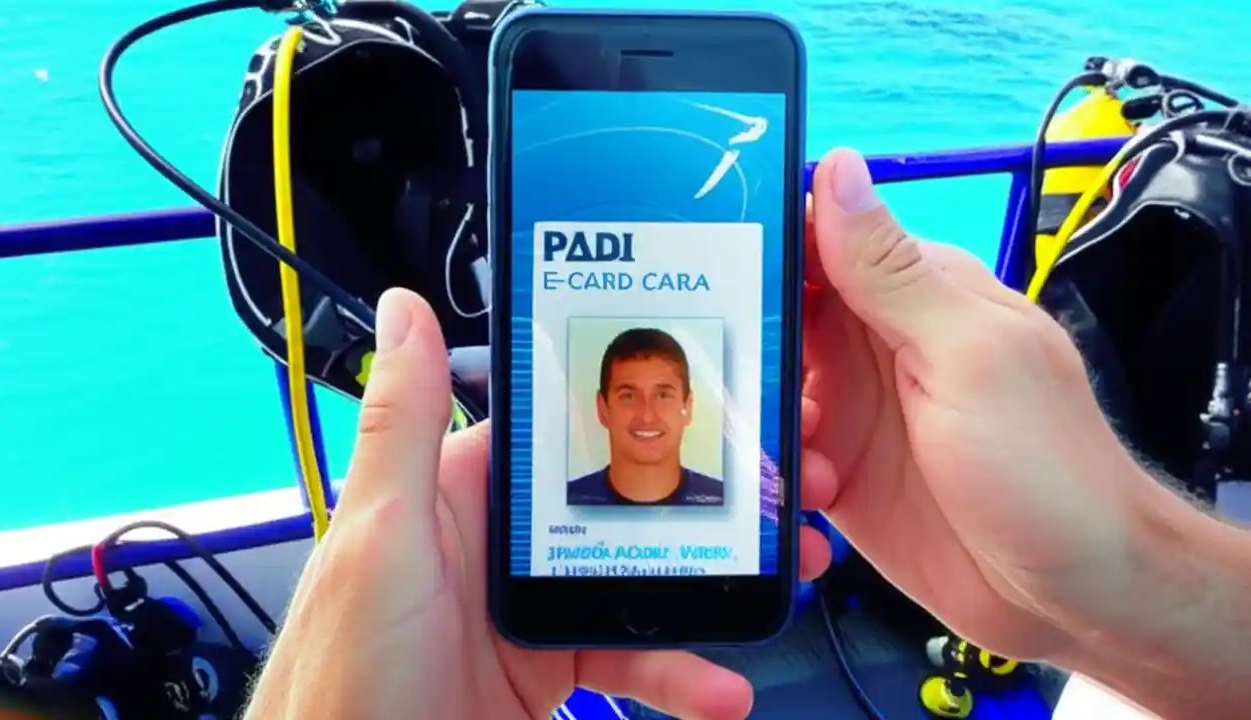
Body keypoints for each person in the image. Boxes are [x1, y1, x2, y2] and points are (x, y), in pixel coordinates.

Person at [242, 148, 1251, 720]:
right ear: (597, 408)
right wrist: (1133, 592)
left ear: (689, 407)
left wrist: (1117, 589)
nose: (643, 415)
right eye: (622, 395)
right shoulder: (578, 500)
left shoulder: (720, 492)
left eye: (664, 395)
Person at [567, 326, 724, 506]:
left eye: (663, 395)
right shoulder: (564, 505)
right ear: (603, 409)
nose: (647, 416)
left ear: (687, 408)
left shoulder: (727, 505)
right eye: (628, 396)